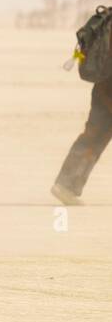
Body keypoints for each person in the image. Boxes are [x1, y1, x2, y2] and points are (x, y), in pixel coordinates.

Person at [52, 20, 112, 206]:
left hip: (103, 88)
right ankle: (66, 186)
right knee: (94, 137)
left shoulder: (107, 21)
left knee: (93, 137)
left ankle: (66, 186)